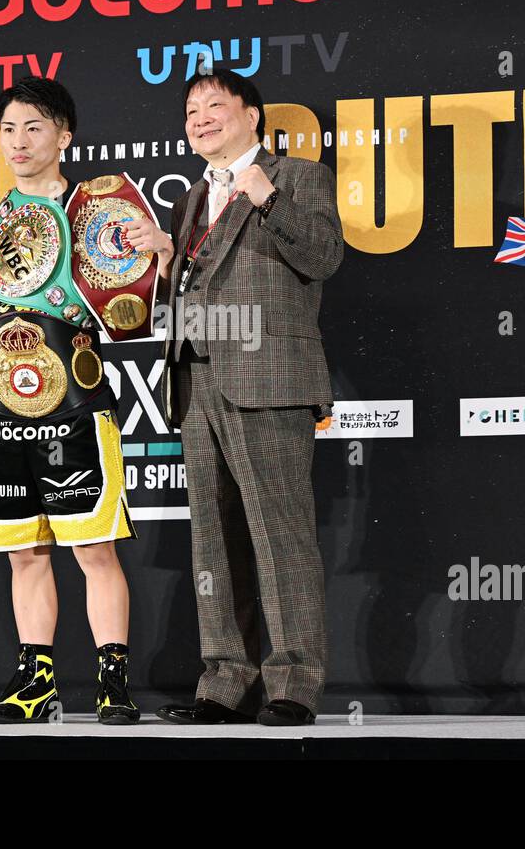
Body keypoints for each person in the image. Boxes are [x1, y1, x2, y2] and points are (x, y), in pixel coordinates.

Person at [124, 71, 343, 726]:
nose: (201, 118)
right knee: (212, 546)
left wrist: (270, 198)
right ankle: (224, 680)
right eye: (192, 110)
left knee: (280, 537)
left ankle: (293, 683)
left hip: (268, 378)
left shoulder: (299, 176)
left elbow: (326, 256)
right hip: (197, 379)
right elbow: (198, 291)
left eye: (215, 106)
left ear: (253, 115)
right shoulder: (194, 196)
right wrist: (166, 263)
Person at [0, 76, 140, 724]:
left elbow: (134, 303)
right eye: (7, 129)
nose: (19, 141)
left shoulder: (97, 214)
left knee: (94, 551)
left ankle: (114, 683)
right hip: (2, 411)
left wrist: (150, 253)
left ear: (64, 135)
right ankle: (37, 685)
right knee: (24, 553)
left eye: (33, 127)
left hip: (77, 405)